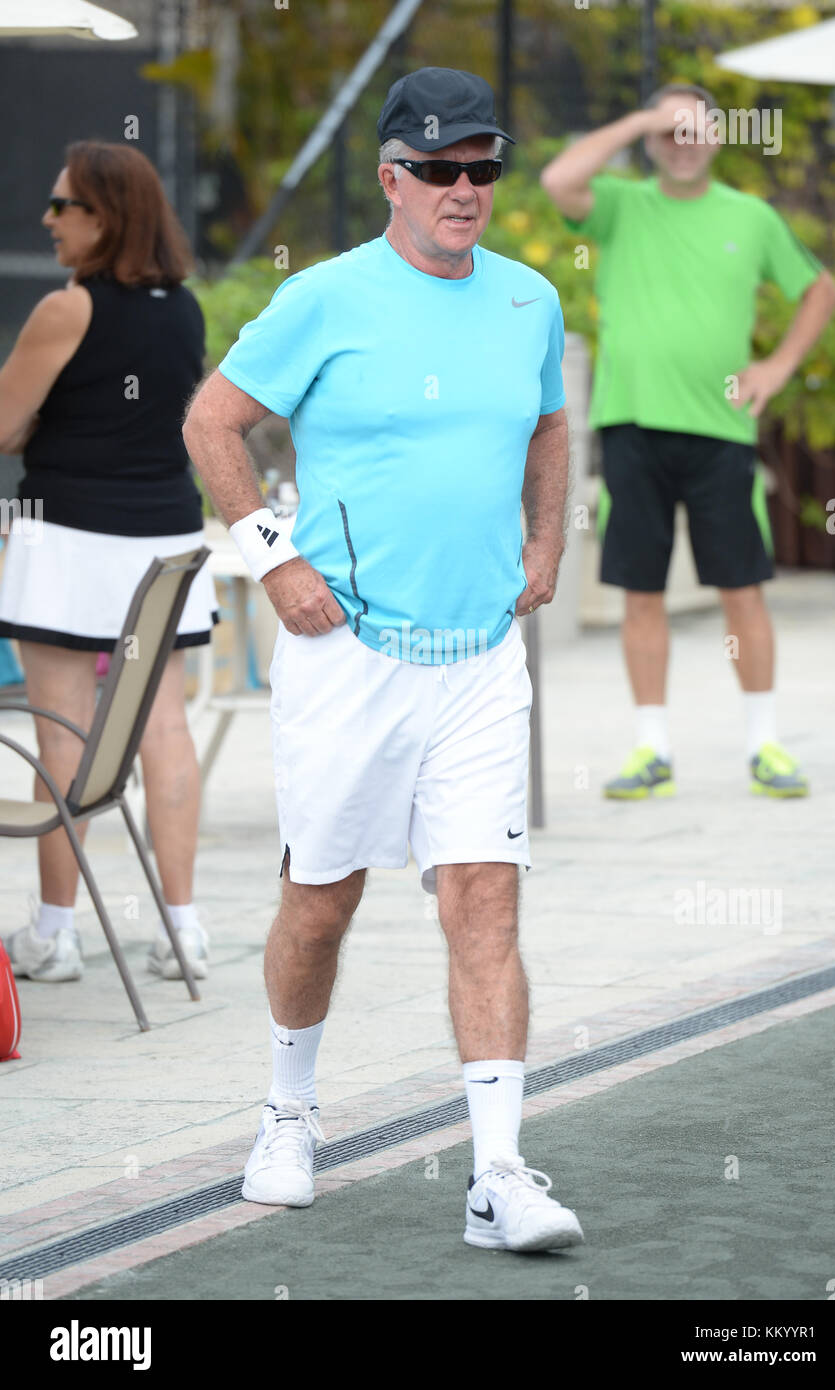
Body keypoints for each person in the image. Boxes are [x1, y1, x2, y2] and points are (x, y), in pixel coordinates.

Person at [184, 67, 583, 1253]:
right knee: (321, 902)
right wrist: (273, 559)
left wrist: (546, 534)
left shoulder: (526, 303)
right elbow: (212, 418)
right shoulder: (324, 299)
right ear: (391, 179)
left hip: (479, 659)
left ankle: (498, 1173)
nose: (466, 190)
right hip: (346, 654)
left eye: (482, 169)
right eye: (441, 169)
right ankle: (286, 1113)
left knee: (484, 903)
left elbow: (549, 422)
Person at [540, 83, 835, 799]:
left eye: (694, 130)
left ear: (718, 135)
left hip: (721, 431)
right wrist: (646, 116)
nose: (682, 143)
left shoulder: (752, 215)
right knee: (639, 592)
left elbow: (820, 288)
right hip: (633, 425)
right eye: (668, 133)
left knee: (744, 589)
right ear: (649, 139)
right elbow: (559, 179)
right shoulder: (621, 207)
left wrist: (779, 364)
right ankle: (652, 750)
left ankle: (765, 746)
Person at [0, 142, 216, 983]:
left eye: (64, 207)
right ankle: (185, 929)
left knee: (64, 731)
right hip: (164, 541)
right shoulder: (186, 307)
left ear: (105, 217)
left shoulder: (69, 308)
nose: (48, 221)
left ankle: (56, 933)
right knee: (164, 726)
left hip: (70, 542)